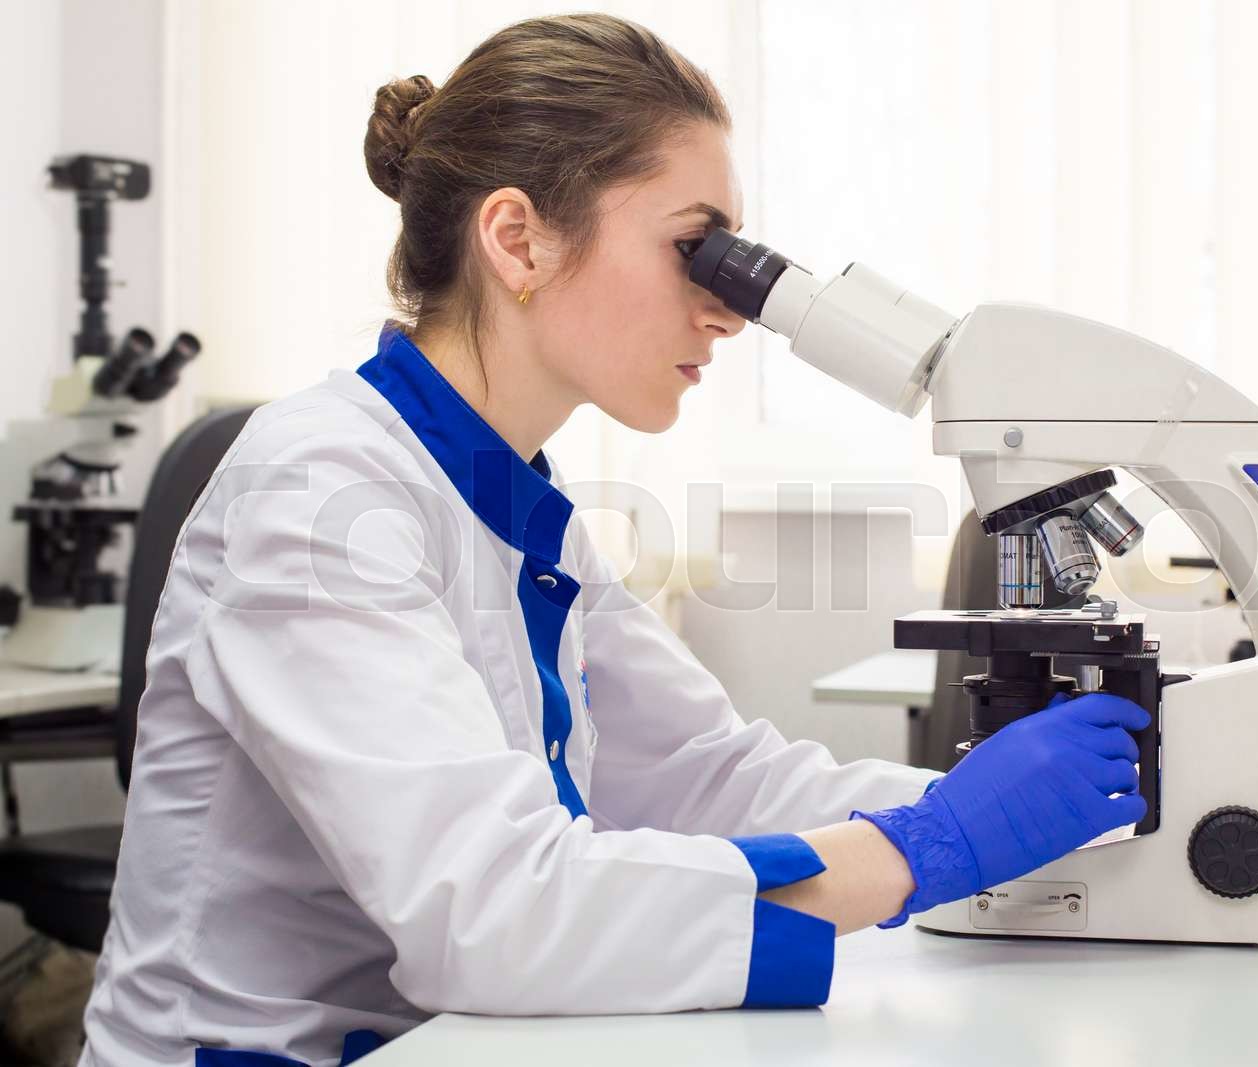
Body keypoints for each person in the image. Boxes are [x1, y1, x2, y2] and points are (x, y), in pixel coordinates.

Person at [77, 14, 1148, 1067]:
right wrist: (928, 850)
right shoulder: (318, 490)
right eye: (697, 250)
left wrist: (1009, 813)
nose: (727, 312)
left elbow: (700, 773)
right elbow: (490, 911)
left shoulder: (510, 503)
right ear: (516, 238)